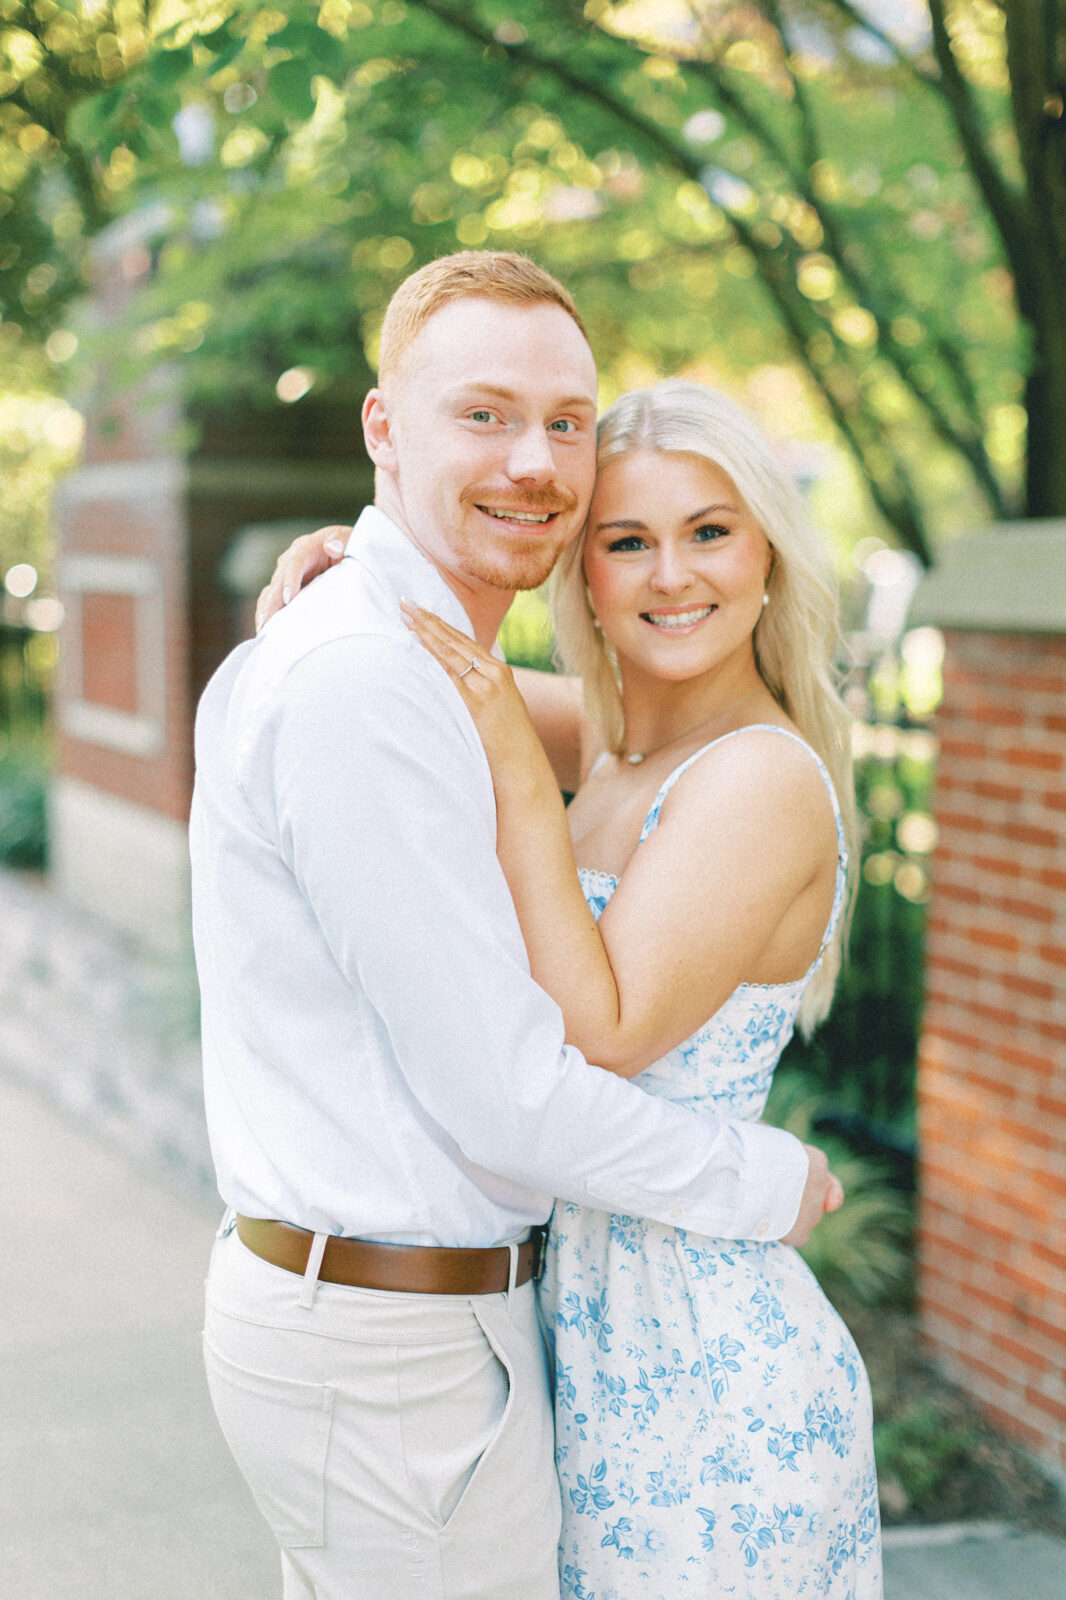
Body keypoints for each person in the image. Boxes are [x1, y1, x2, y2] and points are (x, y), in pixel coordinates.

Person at [190, 250, 838, 1600]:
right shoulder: (534, 720)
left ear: (771, 555)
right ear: (586, 566)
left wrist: (384, 577)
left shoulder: (720, 769)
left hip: (675, 1342)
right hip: (477, 1332)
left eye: (712, 531)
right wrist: (348, 549)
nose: (669, 574)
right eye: (628, 537)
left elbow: (585, 1029)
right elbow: (513, 1085)